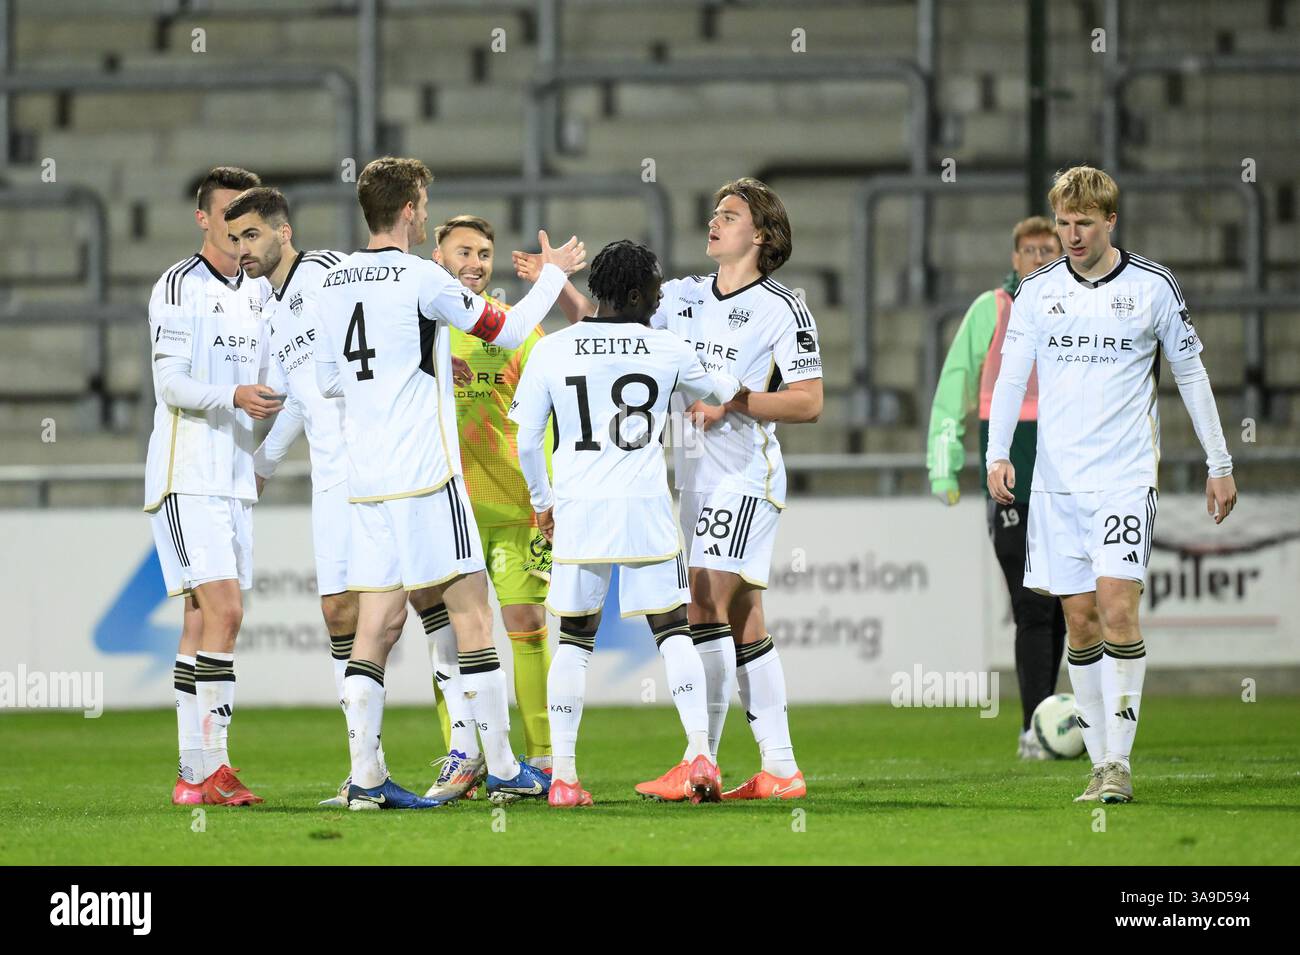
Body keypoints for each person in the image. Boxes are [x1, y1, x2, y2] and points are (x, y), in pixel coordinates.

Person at [513, 177, 822, 800]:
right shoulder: (680, 297)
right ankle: (779, 768)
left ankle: (698, 760)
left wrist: (734, 404)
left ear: (761, 234)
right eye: (713, 212)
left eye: (729, 215)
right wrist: (560, 287)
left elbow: (809, 401)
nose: (714, 221)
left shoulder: (782, 306)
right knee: (741, 616)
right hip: (681, 482)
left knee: (703, 606)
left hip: (740, 475)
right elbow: (609, 332)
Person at [313, 157, 584, 809]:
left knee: (375, 627)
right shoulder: (421, 277)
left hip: (366, 482)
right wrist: (553, 279)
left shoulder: (332, 281)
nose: (427, 210)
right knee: (471, 613)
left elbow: (327, 380)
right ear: (409, 211)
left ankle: (366, 780)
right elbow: (511, 328)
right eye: (425, 202)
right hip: (427, 473)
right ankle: (502, 766)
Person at [987, 165, 1237, 804]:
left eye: (1083, 224)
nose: (1071, 235)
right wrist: (997, 454)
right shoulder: (1038, 292)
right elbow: (1012, 377)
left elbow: (1192, 375)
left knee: (1118, 608)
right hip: (1056, 484)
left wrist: (1220, 462)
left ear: (1110, 222)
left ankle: (1119, 765)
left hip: (1124, 478)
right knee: (1079, 620)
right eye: (1064, 223)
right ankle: (1099, 766)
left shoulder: (1153, 288)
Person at [508, 240, 742, 806]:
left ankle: (563, 776)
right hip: (643, 507)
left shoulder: (553, 350)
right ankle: (700, 755)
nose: (661, 297)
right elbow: (726, 390)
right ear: (638, 294)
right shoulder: (668, 348)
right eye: (656, 289)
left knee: (573, 639)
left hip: (579, 508)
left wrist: (543, 504)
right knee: (672, 630)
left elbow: (525, 439)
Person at [223, 186, 363, 804]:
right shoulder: (270, 307)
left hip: (382, 467)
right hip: (331, 478)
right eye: (235, 240)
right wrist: (262, 465)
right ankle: (367, 769)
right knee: (338, 613)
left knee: (430, 601)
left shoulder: (331, 275)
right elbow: (293, 400)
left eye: (252, 235)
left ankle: (478, 751)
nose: (242, 250)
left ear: (283, 231)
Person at [146, 166, 276, 807]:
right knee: (225, 612)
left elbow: (278, 383)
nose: (236, 227)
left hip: (232, 480)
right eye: (226, 213)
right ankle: (214, 768)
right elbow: (168, 383)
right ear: (204, 218)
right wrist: (233, 394)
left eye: (246, 216)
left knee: (201, 622)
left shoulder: (260, 293)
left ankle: (192, 776)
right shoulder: (179, 285)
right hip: (187, 473)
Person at [420, 214, 560, 801]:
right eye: (463, 252)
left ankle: (542, 757)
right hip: (450, 503)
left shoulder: (520, 331)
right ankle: (466, 758)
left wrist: (551, 494)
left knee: (525, 624)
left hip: (516, 504)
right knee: (450, 635)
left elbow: (550, 414)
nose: (475, 263)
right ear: (437, 255)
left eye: (483, 253)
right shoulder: (426, 329)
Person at [926, 216, 1067, 759]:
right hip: (1010, 476)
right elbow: (953, 389)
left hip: (1067, 476)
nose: (1036, 257)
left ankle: (1048, 719)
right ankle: (1036, 727)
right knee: (1032, 602)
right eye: (1028, 250)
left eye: (1045, 248)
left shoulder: (1079, 309)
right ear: (1014, 259)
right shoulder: (993, 310)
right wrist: (944, 466)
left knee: (1061, 606)